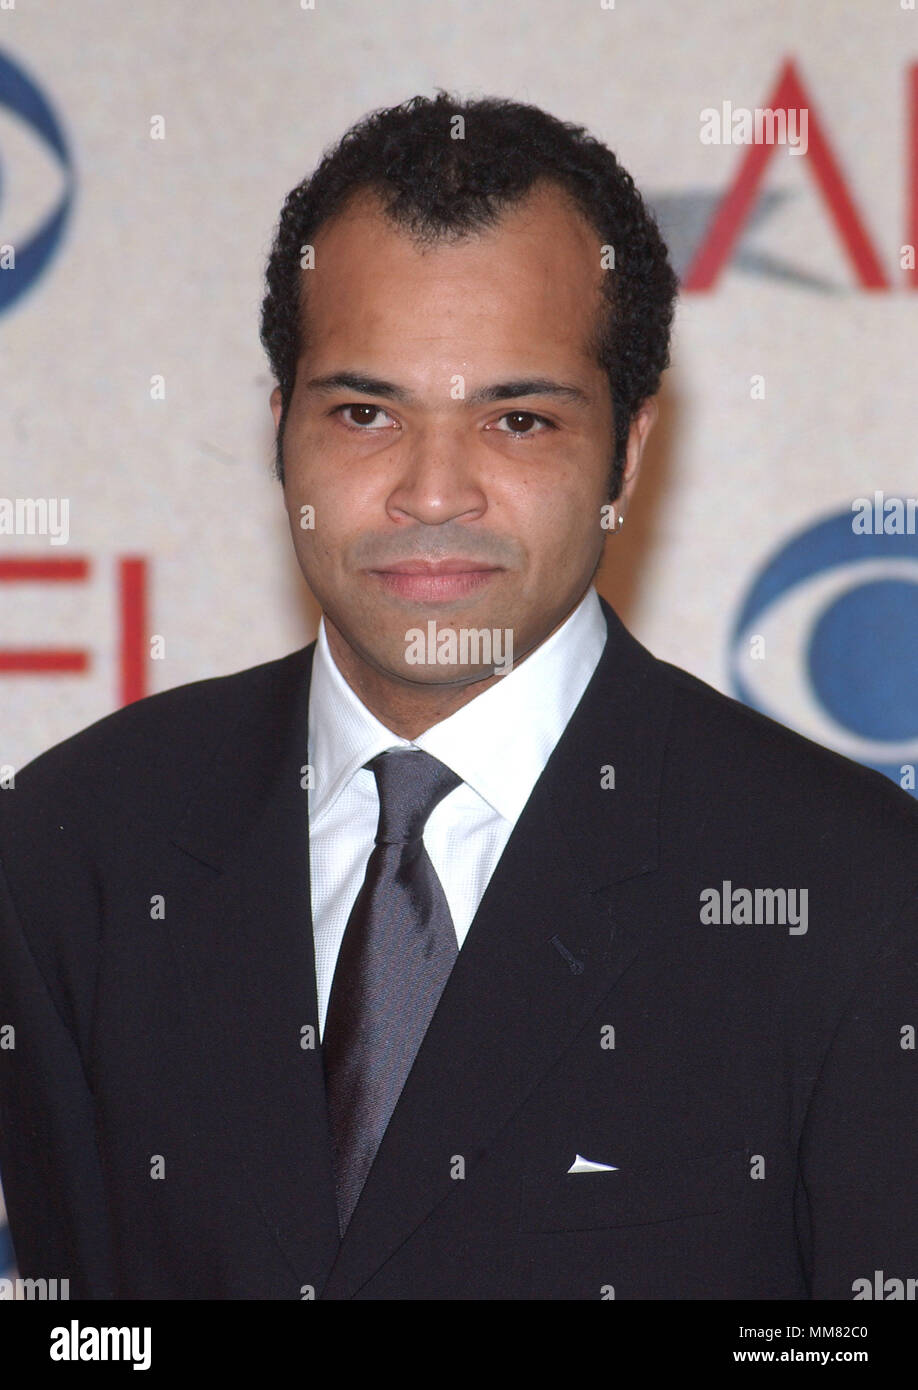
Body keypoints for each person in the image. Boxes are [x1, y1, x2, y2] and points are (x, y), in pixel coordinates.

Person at [1, 91, 916, 1301]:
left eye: (518, 418)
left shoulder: (855, 893)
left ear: (628, 452)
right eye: (367, 412)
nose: (434, 492)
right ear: (282, 429)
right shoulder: (80, 842)